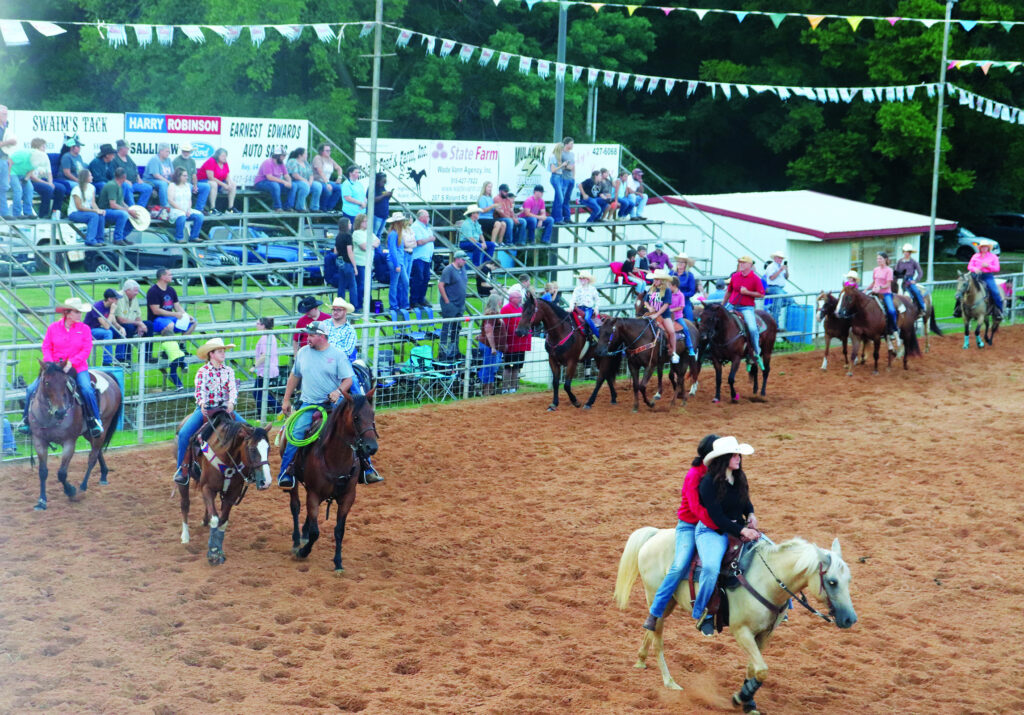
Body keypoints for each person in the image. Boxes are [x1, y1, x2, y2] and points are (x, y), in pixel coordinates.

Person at [642, 434, 721, 632]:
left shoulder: (719, 472)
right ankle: (655, 612)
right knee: (679, 565)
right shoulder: (694, 475)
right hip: (690, 526)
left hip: (711, 525)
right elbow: (695, 507)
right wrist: (716, 523)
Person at [692, 436, 760, 636]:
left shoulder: (739, 476)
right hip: (712, 531)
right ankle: (705, 612)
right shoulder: (708, 483)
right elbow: (717, 517)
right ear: (723, 458)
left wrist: (751, 514)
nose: (739, 458)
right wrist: (742, 531)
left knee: (769, 550)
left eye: (739, 454)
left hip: (736, 527)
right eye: (734, 455)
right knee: (711, 568)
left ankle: (784, 604)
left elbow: (745, 501)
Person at [276, 321, 356, 489]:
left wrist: (338, 391)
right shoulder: (303, 353)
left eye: (312, 335)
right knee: (296, 433)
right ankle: (285, 472)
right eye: (308, 335)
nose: (308, 338)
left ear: (322, 337)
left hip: (334, 404)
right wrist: (286, 399)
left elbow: (348, 379)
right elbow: (294, 376)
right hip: (309, 403)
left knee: (354, 429)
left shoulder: (337, 355)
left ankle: (367, 467)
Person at [20, 297, 105, 438]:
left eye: (80, 312)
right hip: (54, 368)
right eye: (77, 312)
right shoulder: (53, 328)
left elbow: (86, 349)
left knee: (86, 389)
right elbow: (46, 346)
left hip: (77, 367)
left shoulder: (84, 329)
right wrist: (50, 364)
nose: (80, 314)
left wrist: (71, 362)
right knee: (31, 389)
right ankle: (26, 420)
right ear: (67, 313)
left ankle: (95, 421)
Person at [172, 338, 247, 486]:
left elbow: (232, 389)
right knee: (184, 434)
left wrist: (231, 402)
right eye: (220, 351)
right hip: (206, 410)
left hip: (225, 410)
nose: (223, 354)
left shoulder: (229, 371)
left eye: (223, 351)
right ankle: (182, 470)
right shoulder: (203, 372)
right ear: (211, 354)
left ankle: (247, 467)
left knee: (250, 431)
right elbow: (199, 390)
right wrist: (202, 403)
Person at [147, 267, 194, 387]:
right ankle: (167, 351)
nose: (172, 276)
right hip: (156, 320)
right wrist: (175, 314)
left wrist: (186, 315)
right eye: (169, 275)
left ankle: (181, 346)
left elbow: (177, 306)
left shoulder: (171, 290)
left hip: (170, 317)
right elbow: (156, 310)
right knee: (170, 324)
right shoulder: (153, 291)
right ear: (163, 277)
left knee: (193, 323)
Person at [726, 255, 765, 371]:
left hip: (746, 308)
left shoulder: (755, 279)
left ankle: (756, 351)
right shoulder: (735, 276)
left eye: (743, 263)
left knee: (752, 328)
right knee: (717, 320)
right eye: (740, 263)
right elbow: (729, 291)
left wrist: (747, 292)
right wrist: (723, 305)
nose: (741, 264)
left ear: (750, 265)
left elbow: (761, 294)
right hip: (732, 305)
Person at [957, 238, 1003, 319]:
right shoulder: (975, 256)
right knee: (962, 289)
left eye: (985, 247)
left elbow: (997, 268)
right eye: (982, 247)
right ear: (980, 248)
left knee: (995, 292)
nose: (984, 248)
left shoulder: (993, 257)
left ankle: (999, 311)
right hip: (975, 276)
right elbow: (969, 266)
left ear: (988, 248)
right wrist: (975, 269)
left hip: (987, 276)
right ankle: (958, 310)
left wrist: (988, 266)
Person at [438, 251, 470, 362]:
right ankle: (442, 352)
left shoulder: (463, 269)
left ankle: (454, 351)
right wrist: (447, 301)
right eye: (463, 260)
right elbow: (441, 285)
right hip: (451, 304)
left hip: (460, 304)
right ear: (457, 259)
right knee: (446, 327)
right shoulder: (448, 270)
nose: (465, 262)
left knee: (457, 328)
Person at [644, 270, 681, 364]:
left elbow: (666, 304)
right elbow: (645, 301)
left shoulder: (667, 290)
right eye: (654, 279)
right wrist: (649, 308)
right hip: (651, 314)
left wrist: (657, 314)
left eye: (657, 280)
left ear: (662, 280)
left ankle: (674, 352)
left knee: (671, 332)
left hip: (664, 315)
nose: (655, 281)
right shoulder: (651, 289)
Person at [83, 288, 127, 366]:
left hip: (99, 329)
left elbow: (114, 323)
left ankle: (119, 359)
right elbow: (106, 326)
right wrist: (112, 311)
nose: (117, 301)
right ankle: (107, 362)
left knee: (120, 332)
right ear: (110, 299)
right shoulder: (97, 306)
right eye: (116, 299)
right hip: (89, 331)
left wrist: (121, 328)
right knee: (108, 332)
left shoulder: (110, 306)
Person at [500, 287, 532, 393]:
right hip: (511, 344)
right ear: (512, 298)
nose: (521, 299)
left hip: (520, 344)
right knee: (508, 367)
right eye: (518, 297)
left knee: (517, 367)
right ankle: (505, 388)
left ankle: (513, 388)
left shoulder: (521, 309)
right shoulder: (506, 309)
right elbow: (504, 327)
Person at [27, 138, 67, 218]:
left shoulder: (45, 156)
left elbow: (49, 173)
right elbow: (31, 176)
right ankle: (43, 214)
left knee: (61, 188)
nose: (45, 148)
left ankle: (55, 213)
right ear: (36, 147)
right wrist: (47, 183)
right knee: (48, 189)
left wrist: (50, 182)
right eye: (43, 147)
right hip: (31, 182)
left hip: (43, 181)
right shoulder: (30, 157)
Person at [96, 167, 134, 246]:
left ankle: (122, 237)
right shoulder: (112, 185)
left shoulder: (119, 186)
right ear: (124, 177)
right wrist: (127, 211)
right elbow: (112, 205)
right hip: (105, 211)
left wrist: (130, 209)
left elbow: (121, 202)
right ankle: (117, 239)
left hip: (114, 210)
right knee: (123, 214)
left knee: (134, 218)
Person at [869, 252, 901, 346]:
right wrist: (866, 290)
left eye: (880, 259)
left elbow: (888, 284)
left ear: (885, 259)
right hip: (875, 292)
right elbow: (873, 282)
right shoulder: (875, 269)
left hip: (886, 294)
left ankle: (894, 330)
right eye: (877, 259)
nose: (878, 260)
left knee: (891, 311)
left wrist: (880, 287)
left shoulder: (889, 270)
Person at [113, 278, 148, 362]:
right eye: (135, 291)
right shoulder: (119, 297)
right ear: (127, 290)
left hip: (131, 322)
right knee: (128, 328)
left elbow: (137, 314)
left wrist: (140, 325)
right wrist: (138, 323)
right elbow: (120, 320)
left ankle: (146, 356)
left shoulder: (134, 298)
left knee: (149, 325)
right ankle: (126, 357)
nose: (137, 293)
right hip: (119, 324)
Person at [68, 169, 106, 246]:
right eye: (90, 175)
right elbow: (79, 207)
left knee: (100, 215)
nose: (92, 177)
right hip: (75, 213)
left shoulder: (92, 187)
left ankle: (99, 240)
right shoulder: (76, 190)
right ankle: (90, 240)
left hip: (86, 212)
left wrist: (99, 210)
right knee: (94, 215)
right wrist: (95, 211)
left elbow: (93, 203)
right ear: (85, 177)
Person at [478, 293, 505, 396]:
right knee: (489, 367)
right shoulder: (492, 314)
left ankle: (489, 388)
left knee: (491, 367)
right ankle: (486, 390)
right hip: (489, 346)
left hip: (490, 345)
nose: (501, 302)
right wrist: (493, 347)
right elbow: (489, 331)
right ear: (497, 302)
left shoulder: (491, 314)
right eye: (500, 301)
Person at [167, 167, 204, 243]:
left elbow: (189, 200)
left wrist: (189, 210)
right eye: (184, 176)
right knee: (182, 216)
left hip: (186, 210)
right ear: (178, 176)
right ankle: (179, 238)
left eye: (187, 175)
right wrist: (183, 210)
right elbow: (170, 201)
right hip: (176, 210)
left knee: (200, 216)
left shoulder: (187, 185)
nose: (186, 177)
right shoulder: (172, 185)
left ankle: (194, 236)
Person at [114, 139, 155, 208]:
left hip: (134, 182)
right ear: (121, 148)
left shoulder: (127, 157)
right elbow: (114, 174)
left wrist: (138, 178)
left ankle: (140, 208)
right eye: (127, 148)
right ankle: (132, 208)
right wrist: (125, 180)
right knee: (128, 187)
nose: (128, 149)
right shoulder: (115, 159)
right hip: (123, 184)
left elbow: (135, 168)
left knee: (148, 188)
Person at [170, 142, 210, 213]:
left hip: (190, 183)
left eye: (188, 151)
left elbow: (194, 175)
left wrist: (195, 185)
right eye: (184, 151)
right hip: (181, 184)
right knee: (189, 187)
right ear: (182, 151)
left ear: (190, 152)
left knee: (206, 187)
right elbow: (175, 176)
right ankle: (187, 210)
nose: (186, 153)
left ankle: (199, 209)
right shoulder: (176, 161)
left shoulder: (192, 161)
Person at [351, 213, 379, 312]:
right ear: (359, 222)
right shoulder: (356, 233)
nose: (366, 223)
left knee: (368, 285)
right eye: (364, 221)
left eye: (367, 221)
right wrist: (372, 245)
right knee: (361, 285)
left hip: (369, 263)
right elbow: (363, 247)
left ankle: (368, 304)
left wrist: (369, 245)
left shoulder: (369, 232)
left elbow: (378, 241)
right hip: (360, 263)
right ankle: (359, 305)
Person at [253, 316, 280, 415]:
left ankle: (277, 410)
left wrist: (254, 366)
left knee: (258, 393)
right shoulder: (269, 335)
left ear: (263, 325)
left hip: (266, 369)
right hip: (267, 368)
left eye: (258, 323)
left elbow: (264, 355)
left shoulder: (265, 338)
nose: (256, 325)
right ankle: (276, 411)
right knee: (261, 392)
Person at [198, 148, 238, 214]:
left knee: (233, 185)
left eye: (226, 156)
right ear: (217, 156)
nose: (225, 158)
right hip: (204, 182)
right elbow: (211, 177)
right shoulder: (211, 161)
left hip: (218, 183)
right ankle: (212, 208)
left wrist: (229, 183)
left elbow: (227, 175)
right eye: (223, 156)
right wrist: (224, 185)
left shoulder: (225, 163)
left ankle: (230, 208)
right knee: (213, 184)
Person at [385, 212, 411, 311]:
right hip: (395, 261)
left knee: (405, 282)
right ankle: (393, 305)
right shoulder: (393, 234)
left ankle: (404, 303)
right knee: (394, 283)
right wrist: (397, 264)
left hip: (400, 261)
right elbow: (393, 250)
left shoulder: (397, 233)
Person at [410, 209, 436, 308]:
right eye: (427, 216)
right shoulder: (416, 227)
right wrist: (430, 239)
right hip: (418, 257)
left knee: (426, 278)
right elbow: (419, 242)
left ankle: (421, 299)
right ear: (422, 217)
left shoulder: (427, 228)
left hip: (426, 258)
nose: (429, 218)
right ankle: (414, 300)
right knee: (418, 278)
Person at [668, 276, 698, 358]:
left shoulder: (680, 295)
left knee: (685, 329)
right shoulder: (668, 294)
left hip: (677, 317)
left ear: (674, 285)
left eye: (669, 285)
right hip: (669, 317)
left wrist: (671, 310)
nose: (668, 287)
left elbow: (681, 307)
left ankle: (690, 347)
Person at [548, 139, 574, 225]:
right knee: (560, 198)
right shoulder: (553, 156)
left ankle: (555, 218)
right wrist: (562, 165)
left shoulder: (558, 157)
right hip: (555, 177)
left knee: (559, 198)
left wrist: (564, 165)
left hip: (560, 177)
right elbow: (553, 170)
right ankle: (558, 218)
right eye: (562, 148)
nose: (563, 150)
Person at [569, 271, 601, 340]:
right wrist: (571, 306)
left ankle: (597, 335)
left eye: (583, 278)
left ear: (587, 280)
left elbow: (597, 299)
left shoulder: (592, 289)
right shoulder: (577, 289)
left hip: (588, 309)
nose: (581, 280)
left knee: (587, 318)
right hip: (578, 309)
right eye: (580, 278)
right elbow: (573, 299)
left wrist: (596, 308)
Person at [285, 147, 319, 212]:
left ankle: (314, 208)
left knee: (318, 186)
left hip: (306, 181)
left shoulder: (306, 163)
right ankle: (300, 207)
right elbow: (295, 175)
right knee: (304, 186)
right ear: (300, 155)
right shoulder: (293, 161)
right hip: (294, 181)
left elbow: (311, 175)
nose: (307, 155)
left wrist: (310, 182)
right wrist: (306, 181)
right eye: (305, 154)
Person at [8, 145, 37, 218]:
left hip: (23, 174)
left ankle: (28, 212)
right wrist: (8, 177)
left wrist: (26, 179)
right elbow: (9, 162)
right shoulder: (22, 155)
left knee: (30, 189)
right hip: (12, 172)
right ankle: (17, 213)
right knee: (18, 190)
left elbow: (32, 169)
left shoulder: (39, 159)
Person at [312, 143, 342, 212]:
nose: (329, 152)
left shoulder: (330, 159)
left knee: (340, 188)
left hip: (327, 181)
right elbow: (320, 171)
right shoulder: (318, 158)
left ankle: (330, 207)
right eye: (327, 150)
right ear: (321, 151)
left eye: (330, 150)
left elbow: (339, 168)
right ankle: (323, 208)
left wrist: (339, 177)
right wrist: (327, 183)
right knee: (327, 189)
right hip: (318, 180)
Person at [326, 297, 358, 362]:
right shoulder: (324, 324)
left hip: (340, 362)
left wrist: (328, 352)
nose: (335, 312)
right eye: (334, 310)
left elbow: (348, 351)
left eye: (339, 310)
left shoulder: (350, 330)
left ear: (345, 311)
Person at [144, 143, 175, 210]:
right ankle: (165, 206)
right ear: (161, 151)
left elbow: (172, 174)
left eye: (169, 152)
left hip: (164, 180)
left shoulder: (168, 160)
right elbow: (156, 175)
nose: (168, 153)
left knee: (175, 184)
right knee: (163, 184)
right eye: (167, 151)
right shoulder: (155, 159)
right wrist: (168, 182)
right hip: (150, 180)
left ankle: (175, 205)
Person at [334, 217, 358, 304]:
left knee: (341, 285)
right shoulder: (348, 236)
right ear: (346, 225)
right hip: (347, 262)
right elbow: (350, 252)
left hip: (340, 262)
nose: (351, 225)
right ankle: (354, 305)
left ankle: (340, 305)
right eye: (349, 223)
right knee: (352, 285)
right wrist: (355, 266)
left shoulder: (338, 236)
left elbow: (335, 251)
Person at [895, 244, 925, 311]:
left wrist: (915, 280)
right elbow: (896, 271)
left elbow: (920, 272)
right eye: (905, 252)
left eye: (907, 252)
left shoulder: (913, 262)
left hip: (909, 280)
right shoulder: (899, 261)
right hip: (900, 280)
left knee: (916, 291)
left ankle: (922, 307)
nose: (906, 253)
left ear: (910, 253)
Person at [763, 250, 790, 323]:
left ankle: (772, 307)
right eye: (779, 258)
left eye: (781, 258)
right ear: (775, 258)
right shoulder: (771, 266)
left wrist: (786, 270)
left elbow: (786, 277)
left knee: (790, 300)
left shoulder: (781, 267)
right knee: (778, 305)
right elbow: (771, 278)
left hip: (780, 288)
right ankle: (775, 322)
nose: (780, 260)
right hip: (773, 287)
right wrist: (780, 270)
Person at [672, 254, 698, 321]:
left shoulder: (690, 275)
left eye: (682, 262)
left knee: (690, 319)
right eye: (678, 261)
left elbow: (692, 292)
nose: (679, 263)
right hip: (672, 300)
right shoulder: (671, 273)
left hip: (685, 301)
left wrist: (680, 295)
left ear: (686, 264)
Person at [0, 105, 15, 218]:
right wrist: (8, 142)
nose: (6, 116)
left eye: (6, 114)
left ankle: (4, 213)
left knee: (3, 187)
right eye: (4, 114)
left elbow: (9, 148)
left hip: (4, 160)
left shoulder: (6, 128)